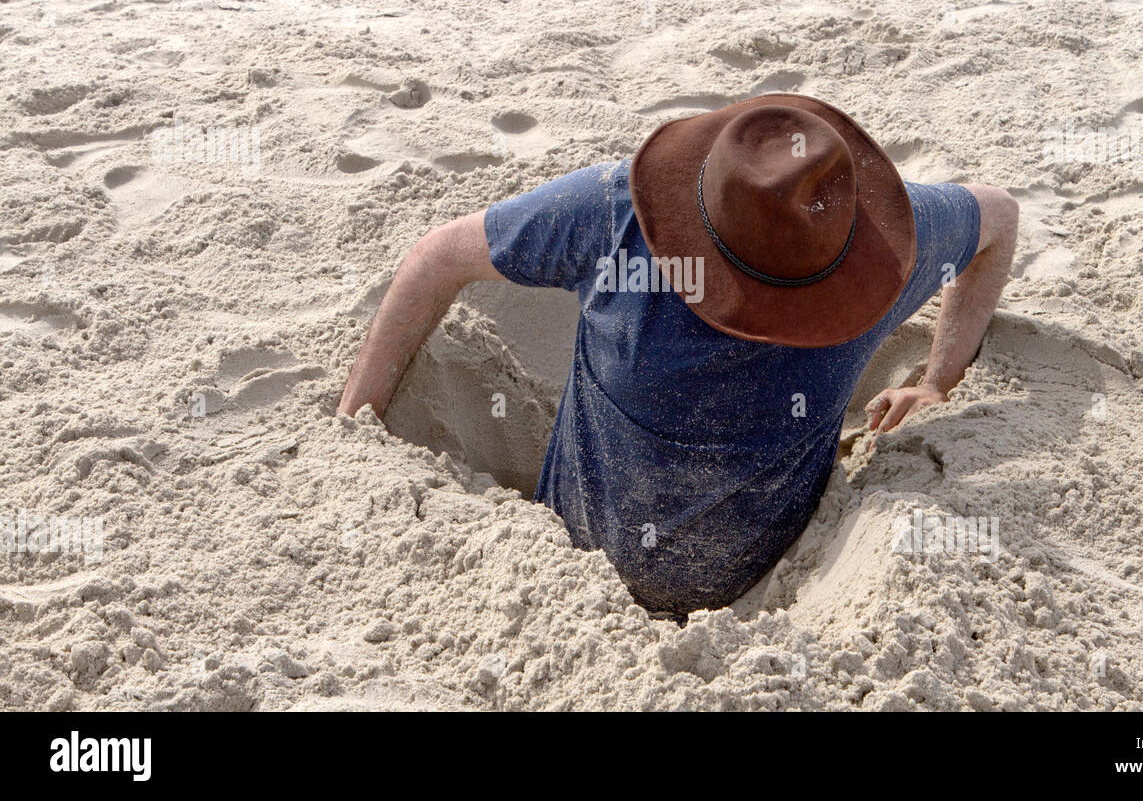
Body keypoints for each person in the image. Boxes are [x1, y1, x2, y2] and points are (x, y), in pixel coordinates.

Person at [338, 94, 1018, 616]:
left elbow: (1001, 219)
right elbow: (436, 257)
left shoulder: (877, 245)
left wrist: (937, 382)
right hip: (562, 564)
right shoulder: (612, 216)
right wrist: (354, 425)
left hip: (762, 589)